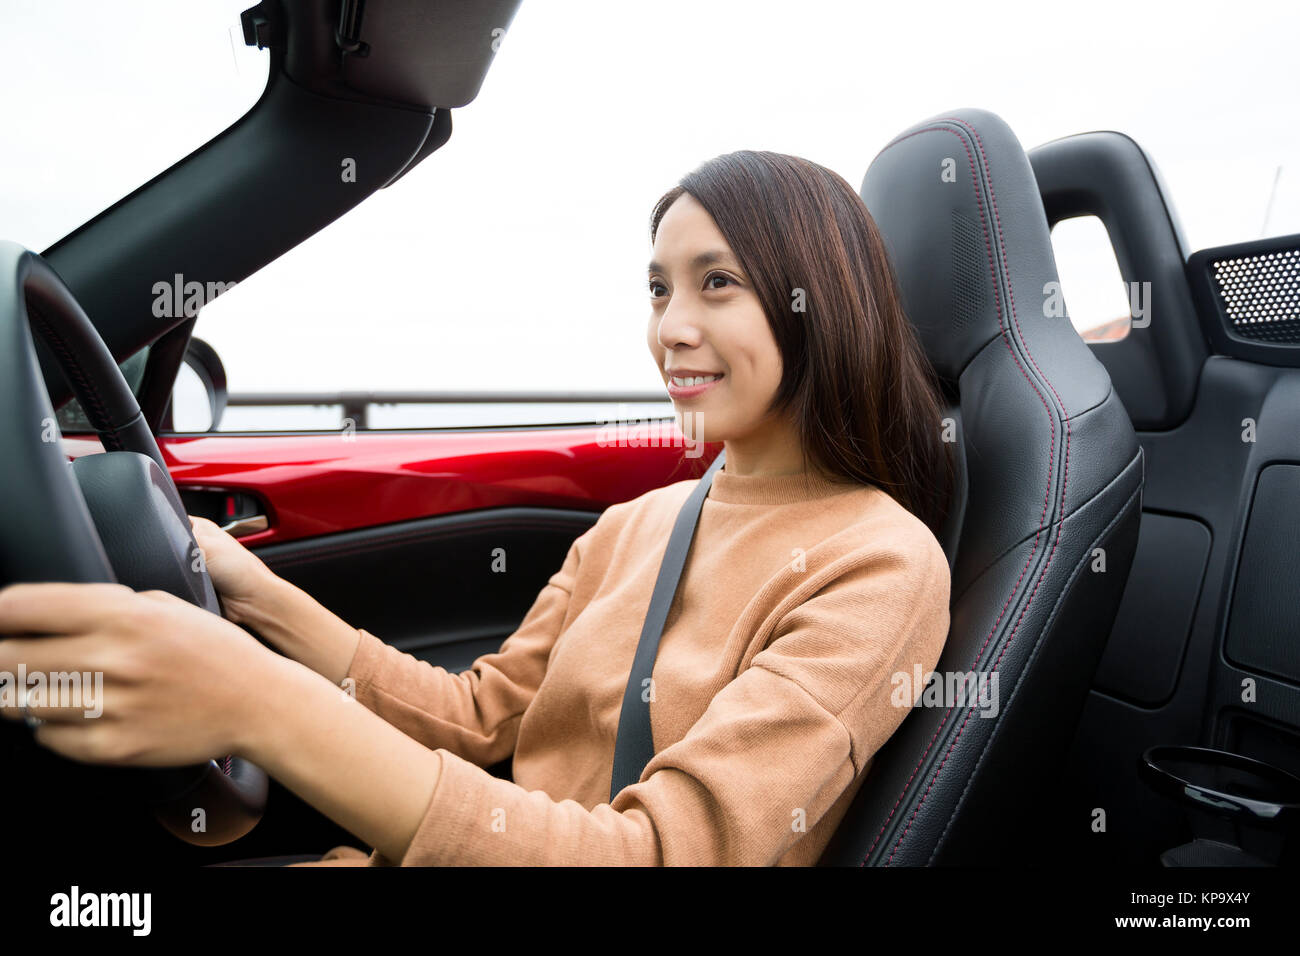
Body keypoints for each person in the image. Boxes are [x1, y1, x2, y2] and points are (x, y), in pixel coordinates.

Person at [0, 150, 954, 866]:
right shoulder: (639, 523)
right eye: (657, 289)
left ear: (816, 301)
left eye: (718, 283)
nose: (672, 329)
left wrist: (262, 701)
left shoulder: (878, 566)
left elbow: (660, 857)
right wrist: (248, 594)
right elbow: (477, 714)